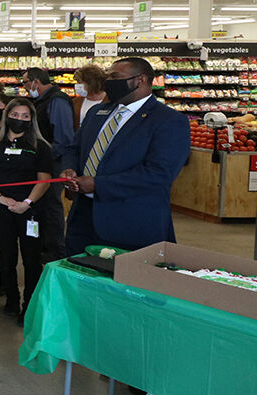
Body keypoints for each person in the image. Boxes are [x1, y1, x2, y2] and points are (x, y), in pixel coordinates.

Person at [61, 58, 190, 255]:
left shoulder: (169, 121)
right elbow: (74, 148)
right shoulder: (99, 111)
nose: (108, 82)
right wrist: (69, 168)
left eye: (115, 77)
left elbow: (159, 173)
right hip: (82, 218)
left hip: (130, 224)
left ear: (140, 80)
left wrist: (98, 184)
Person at [0, 98, 54, 324]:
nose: (19, 119)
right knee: (5, 257)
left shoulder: (41, 147)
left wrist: (26, 202)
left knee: (31, 259)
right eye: (15, 115)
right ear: (7, 115)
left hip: (31, 210)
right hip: (0, 207)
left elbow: (45, 180)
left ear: (32, 120)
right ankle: (11, 299)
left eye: (25, 116)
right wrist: (0, 198)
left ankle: (29, 305)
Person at [21, 66, 76, 263]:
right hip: (44, 161)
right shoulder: (44, 100)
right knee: (43, 205)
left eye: (26, 82)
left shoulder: (57, 100)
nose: (25, 87)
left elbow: (63, 137)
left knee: (52, 205)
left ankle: (56, 250)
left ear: (36, 81)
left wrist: (47, 158)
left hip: (54, 163)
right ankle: (44, 247)